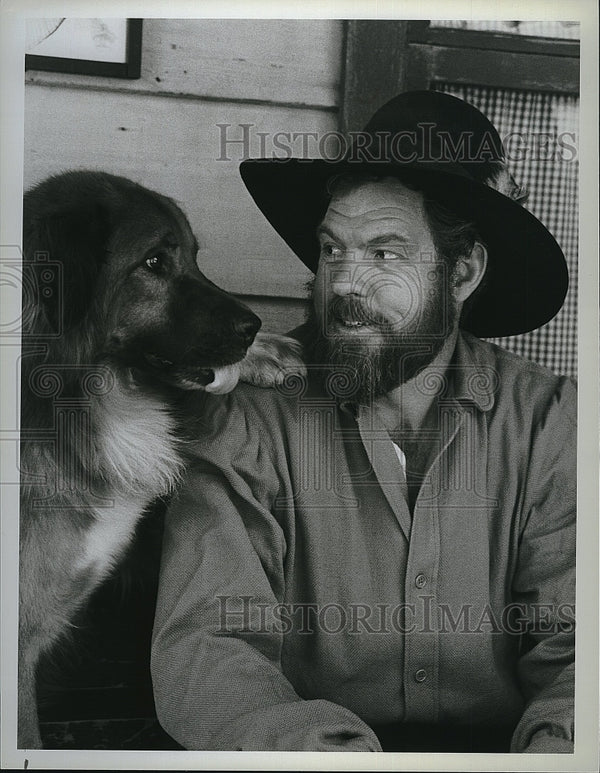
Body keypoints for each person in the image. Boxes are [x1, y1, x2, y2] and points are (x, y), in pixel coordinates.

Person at [150, 91, 575, 753]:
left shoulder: (550, 421)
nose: (345, 283)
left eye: (384, 255)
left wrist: (556, 754)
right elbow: (208, 646)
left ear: (461, 273)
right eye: (332, 250)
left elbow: (579, 649)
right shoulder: (250, 418)